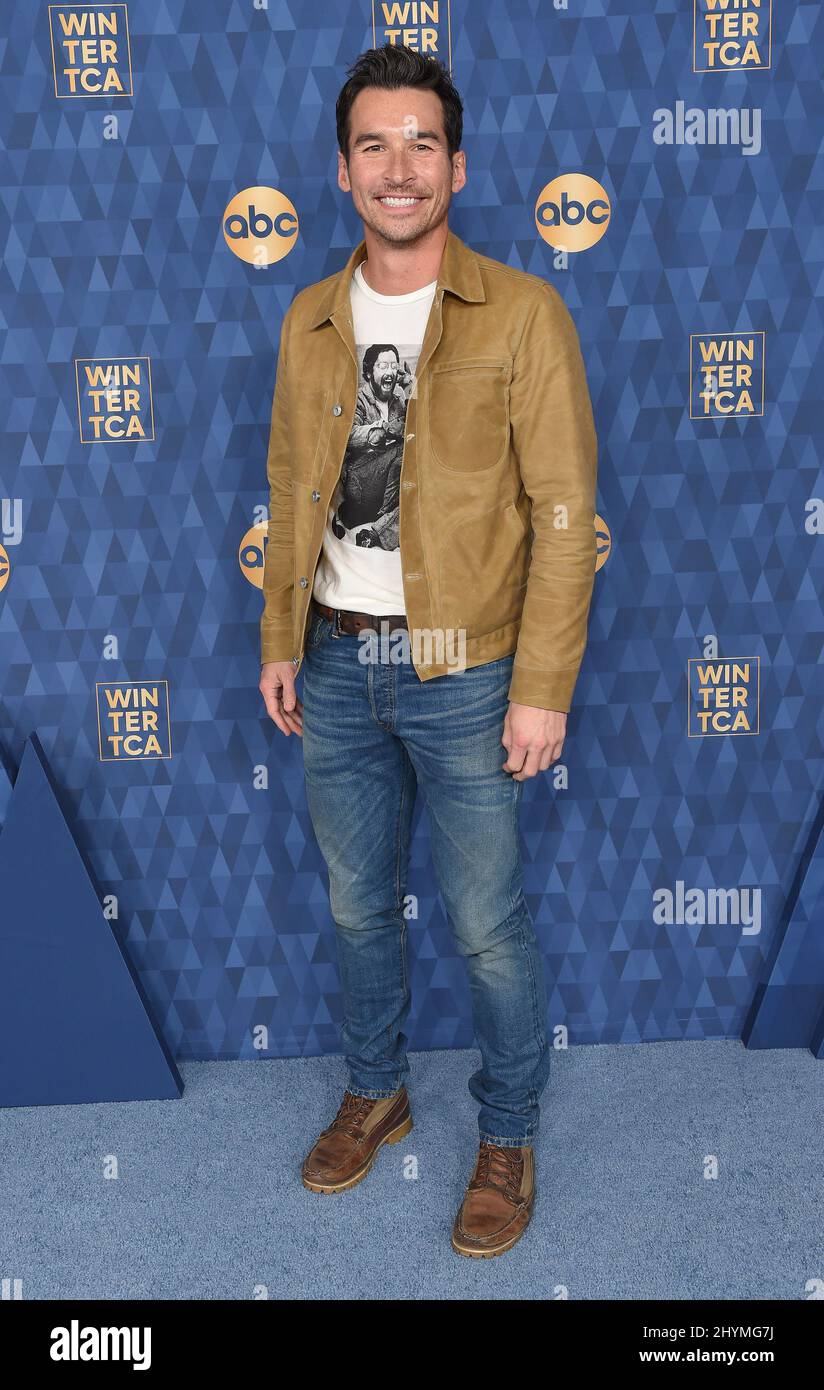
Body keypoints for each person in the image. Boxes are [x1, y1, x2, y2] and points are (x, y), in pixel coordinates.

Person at [259, 42, 598, 1258]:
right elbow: (293, 487)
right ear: (341, 170)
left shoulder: (522, 313)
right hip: (337, 663)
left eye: (419, 143)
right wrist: (280, 640)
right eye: (372, 144)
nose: (397, 167)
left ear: (456, 164)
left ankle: (505, 1132)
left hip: (468, 673)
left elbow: (564, 517)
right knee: (358, 908)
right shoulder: (309, 317)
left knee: (485, 923)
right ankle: (376, 1086)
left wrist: (541, 688)